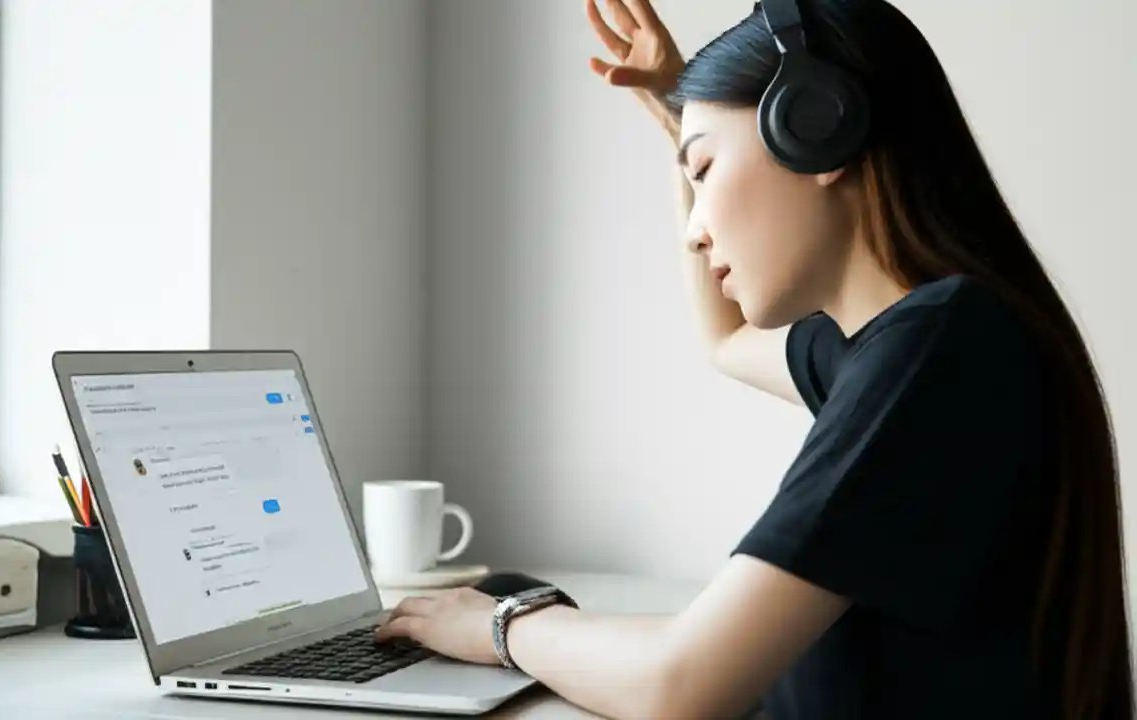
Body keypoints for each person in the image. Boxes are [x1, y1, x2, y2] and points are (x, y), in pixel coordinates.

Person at [374, 1, 1135, 717]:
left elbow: (682, 686)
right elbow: (727, 342)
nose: (695, 232)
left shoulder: (938, 348)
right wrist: (677, 127)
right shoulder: (913, 342)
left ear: (817, 131)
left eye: (704, 173)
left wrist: (502, 625)